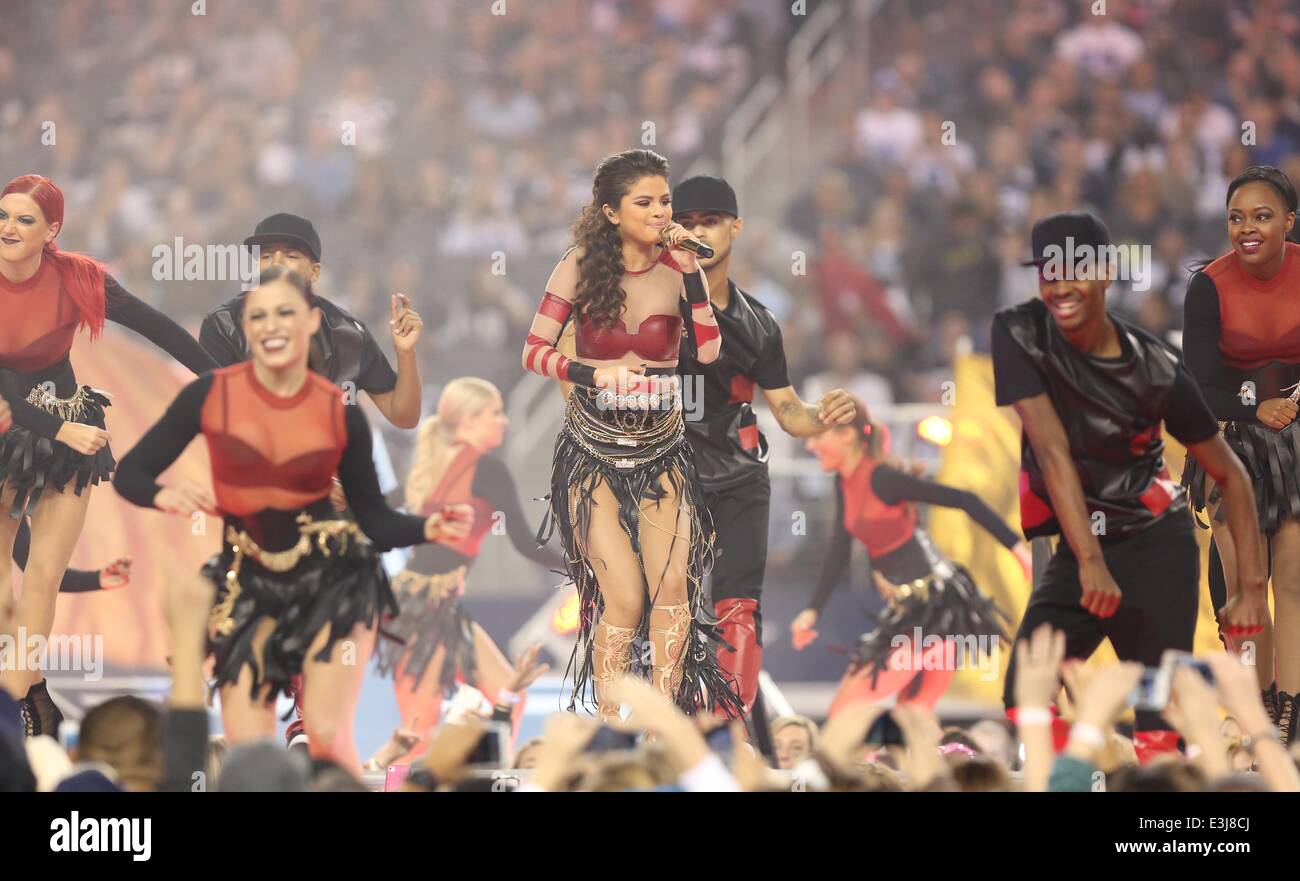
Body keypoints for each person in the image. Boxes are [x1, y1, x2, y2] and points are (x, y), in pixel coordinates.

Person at [113, 266, 472, 773]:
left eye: (285, 312)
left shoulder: (340, 412)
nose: (271, 324)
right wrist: (164, 494)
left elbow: (374, 520)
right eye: (257, 315)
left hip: (329, 584)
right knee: (246, 749)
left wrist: (425, 528)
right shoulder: (209, 395)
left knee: (325, 739)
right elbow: (131, 473)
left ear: (312, 321)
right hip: (245, 585)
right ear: (245, 329)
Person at [994, 210, 1269, 763]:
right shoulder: (1018, 331)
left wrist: (1249, 586)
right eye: (1050, 270)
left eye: (1077, 269)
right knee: (1024, 693)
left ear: (1106, 273)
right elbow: (1051, 451)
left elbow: (1231, 476)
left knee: (1157, 718)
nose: (1062, 283)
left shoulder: (1159, 367)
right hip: (1083, 548)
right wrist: (1089, 560)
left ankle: (1155, 821)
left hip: (1155, 548)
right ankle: (1090, 770)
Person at [521, 148, 741, 719]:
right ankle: (610, 727)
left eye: (664, 201)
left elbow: (711, 350)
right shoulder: (578, 265)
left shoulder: (677, 268)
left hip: (662, 450)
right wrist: (594, 372)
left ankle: (662, 728)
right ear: (611, 212)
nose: (659, 212)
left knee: (673, 591)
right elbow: (534, 351)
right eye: (643, 202)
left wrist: (693, 277)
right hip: (592, 454)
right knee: (622, 598)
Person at [0, 174, 216, 736]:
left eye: (24, 219)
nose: (8, 228)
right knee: (2, 585)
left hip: (69, 423)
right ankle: (27, 700)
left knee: (42, 578)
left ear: (52, 230)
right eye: (2, 216)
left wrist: (223, 383)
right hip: (11, 422)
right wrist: (57, 429)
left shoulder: (78, 279)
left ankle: (12, 708)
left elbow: (158, 329)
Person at [199, 211, 425, 746]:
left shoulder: (348, 334)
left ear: (316, 270)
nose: (276, 263)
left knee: (324, 607)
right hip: (258, 488)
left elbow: (403, 413)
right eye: (266, 255)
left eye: (290, 255)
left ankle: (308, 724)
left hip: (334, 502)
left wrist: (407, 355)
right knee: (259, 611)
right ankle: (254, 738)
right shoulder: (227, 326)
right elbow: (226, 416)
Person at [670, 174, 856, 717]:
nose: (699, 232)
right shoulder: (653, 308)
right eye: (688, 222)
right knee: (667, 608)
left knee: (738, 608)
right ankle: (666, 734)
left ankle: (730, 732)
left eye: (710, 221)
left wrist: (827, 416)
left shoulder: (760, 324)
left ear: (735, 228)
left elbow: (791, 412)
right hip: (667, 476)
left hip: (738, 478)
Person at [791, 405, 1025, 715]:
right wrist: (812, 610)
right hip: (907, 612)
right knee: (911, 712)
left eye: (817, 437)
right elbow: (839, 550)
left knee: (853, 710)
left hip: (938, 613)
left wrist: (1019, 550)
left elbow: (965, 500)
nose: (810, 446)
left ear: (847, 435)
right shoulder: (844, 481)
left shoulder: (883, 479)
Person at [374, 377, 562, 756]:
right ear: (469, 421)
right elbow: (527, 544)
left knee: (509, 692)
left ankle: (487, 775)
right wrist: (585, 563)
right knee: (417, 733)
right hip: (422, 610)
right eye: (495, 413)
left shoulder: (433, 464)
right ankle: (400, 783)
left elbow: (376, 508)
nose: (504, 421)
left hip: (429, 607)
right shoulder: (486, 471)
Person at [1181, 165, 1300, 737]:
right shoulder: (1208, 285)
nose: (1246, 228)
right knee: (1245, 581)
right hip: (1232, 435)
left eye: (1261, 216)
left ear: (1288, 222)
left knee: (1293, 574)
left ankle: (1292, 712)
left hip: (1298, 431)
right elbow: (1198, 386)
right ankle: (1259, 705)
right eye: (1236, 217)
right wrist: (1256, 410)